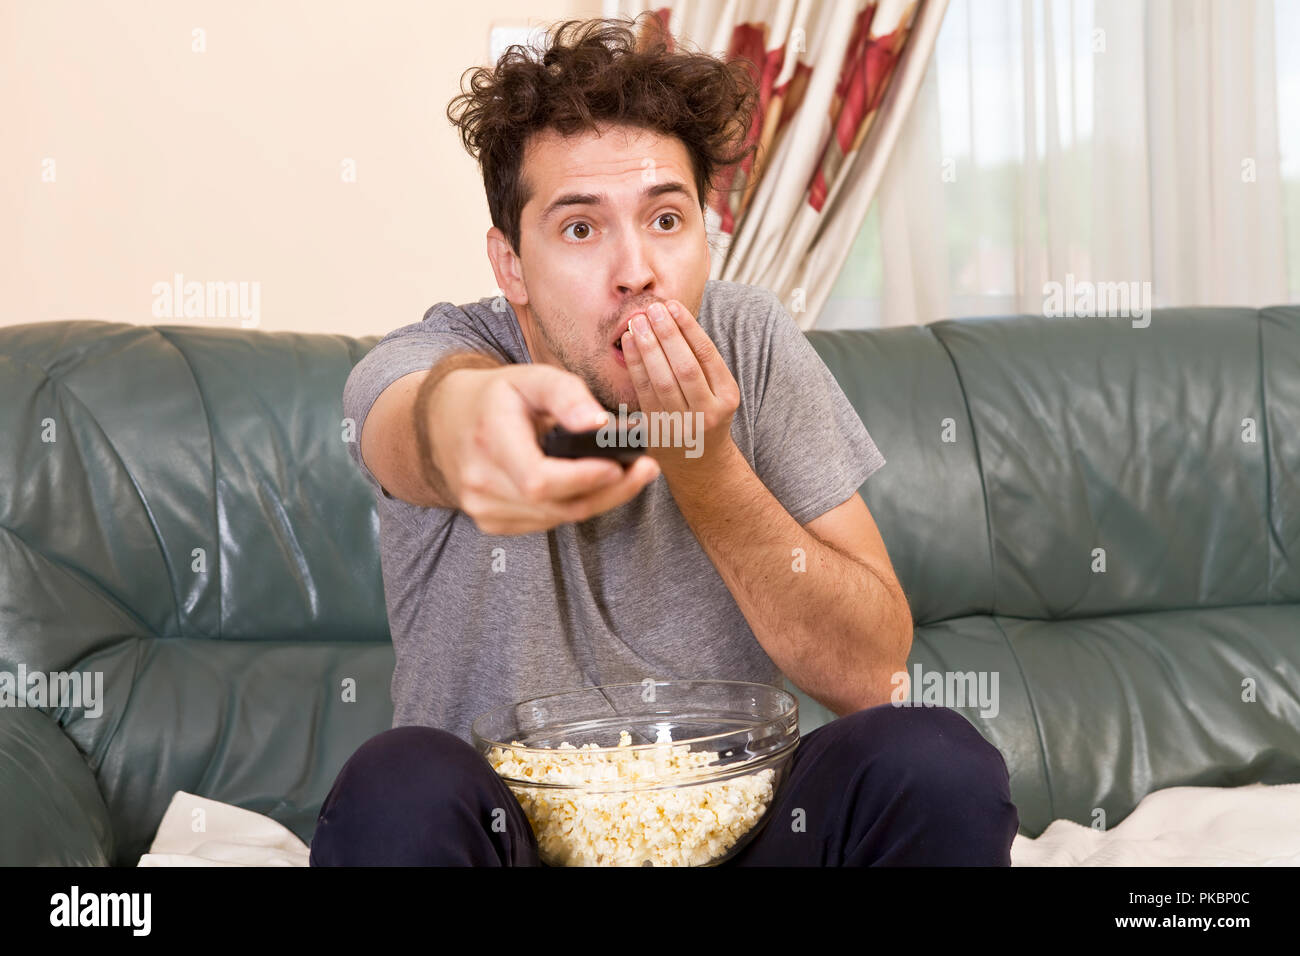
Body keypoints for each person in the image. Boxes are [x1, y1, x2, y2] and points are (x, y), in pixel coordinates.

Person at [310, 14, 1018, 866]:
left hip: (737, 832)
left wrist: (706, 463)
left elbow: (874, 675)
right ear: (510, 266)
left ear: (705, 234)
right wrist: (478, 426)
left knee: (932, 760)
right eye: (580, 228)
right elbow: (417, 423)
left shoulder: (747, 338)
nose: (636, 270)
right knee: (396, 784)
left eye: (667, 219)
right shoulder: (439, 357)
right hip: (515, 845)